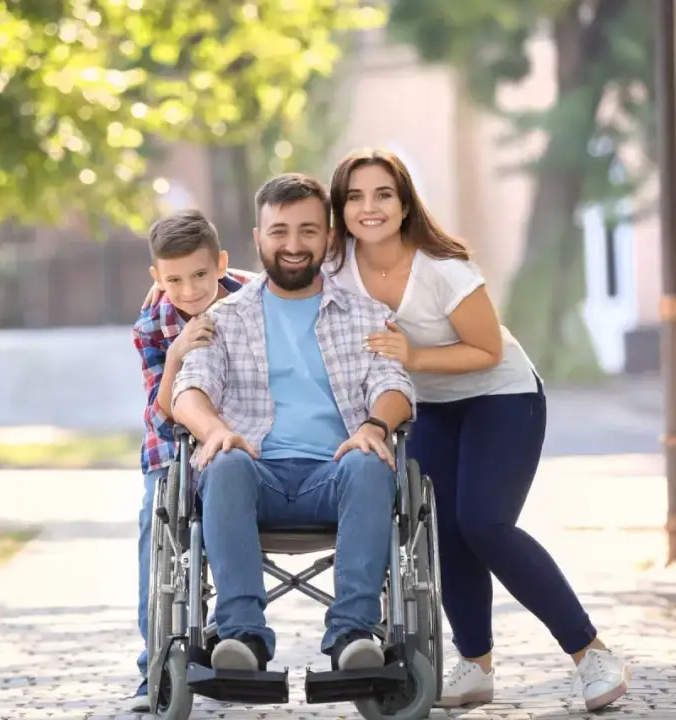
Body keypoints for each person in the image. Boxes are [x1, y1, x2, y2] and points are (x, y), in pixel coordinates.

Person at [326, 147, 631, 711]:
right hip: (433, 408)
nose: (370, 207)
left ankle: (592, 653)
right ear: (340, 209)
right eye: (355, 197)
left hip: (502, 396)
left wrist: (412, 354)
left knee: (485, 524)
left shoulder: (442, 269)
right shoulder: (336, 265)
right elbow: (276, 274)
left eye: (383, 194)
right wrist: (194, 285)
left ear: (404, 202)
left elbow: (487, 350)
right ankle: (476, 667)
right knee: (445, 533)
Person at [170, 172, 416, 673]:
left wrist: (373, 425)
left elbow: (395, 384)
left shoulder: (366, 315)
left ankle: (353, 634)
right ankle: (241, 637)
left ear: (328, 237)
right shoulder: (225, 317)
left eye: (308, 230)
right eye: (279, 231)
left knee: (371, 462)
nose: (294, 244)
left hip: (336, 472)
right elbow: (187, 390)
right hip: (253, 473)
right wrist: (214, 430)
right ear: (259, 239)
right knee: (224, 462)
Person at [127, 208, 250, 711]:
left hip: (240, 445)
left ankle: (229, 624)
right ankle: (151, 665)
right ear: (156, 278)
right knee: (154, 529)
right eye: (173, 279)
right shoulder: (151, 324)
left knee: (227, 501)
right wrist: (176, 353)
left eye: (200, 274)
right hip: (171, 451)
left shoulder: (253, 298)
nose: (190, 288)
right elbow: (160, 411)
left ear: (221, 263)